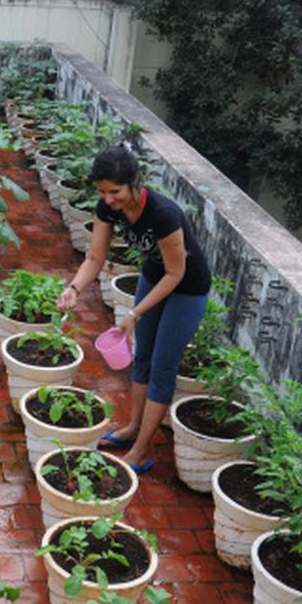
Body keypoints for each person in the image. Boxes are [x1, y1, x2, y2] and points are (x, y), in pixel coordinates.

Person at [56, 145, 211, 473]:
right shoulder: (107, 208)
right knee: (140, 357)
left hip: (186, 289)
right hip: (155, 277)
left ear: (134, 182)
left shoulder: (163, 214)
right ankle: (131, 428)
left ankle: (140, 451)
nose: (109, 199)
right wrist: (73, 289)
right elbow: (95, 258)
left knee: (162, 366)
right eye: (102, 191)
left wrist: (133, 313)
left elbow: (176, 273)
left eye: (115, 191)